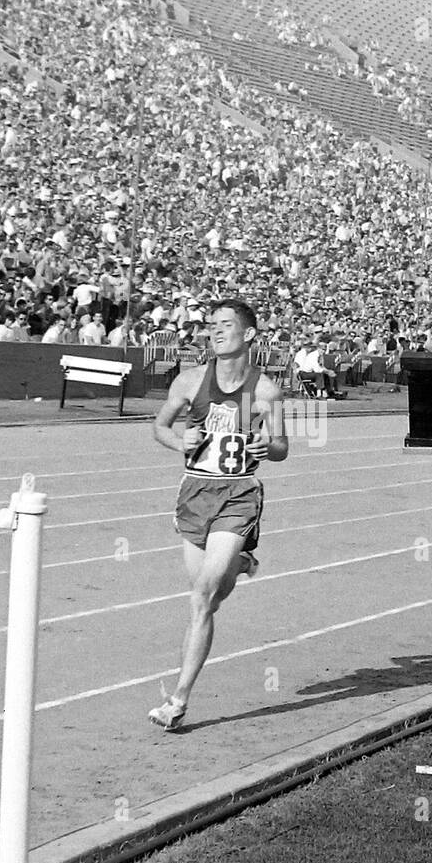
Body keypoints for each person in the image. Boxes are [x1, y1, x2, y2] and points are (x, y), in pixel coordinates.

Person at [147, 301, 288, 730]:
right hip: (195, 494)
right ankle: (241, 562)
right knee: (211, 592)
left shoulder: (266, 392)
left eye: (226, 325)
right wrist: (179, 442)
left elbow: (282, 447)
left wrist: (270, 448)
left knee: (203, 597)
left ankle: (178, 700)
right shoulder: (189, 382)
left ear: (248, 335)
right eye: (212, 326)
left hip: (238, 495)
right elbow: (159, 427)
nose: (216, 332)